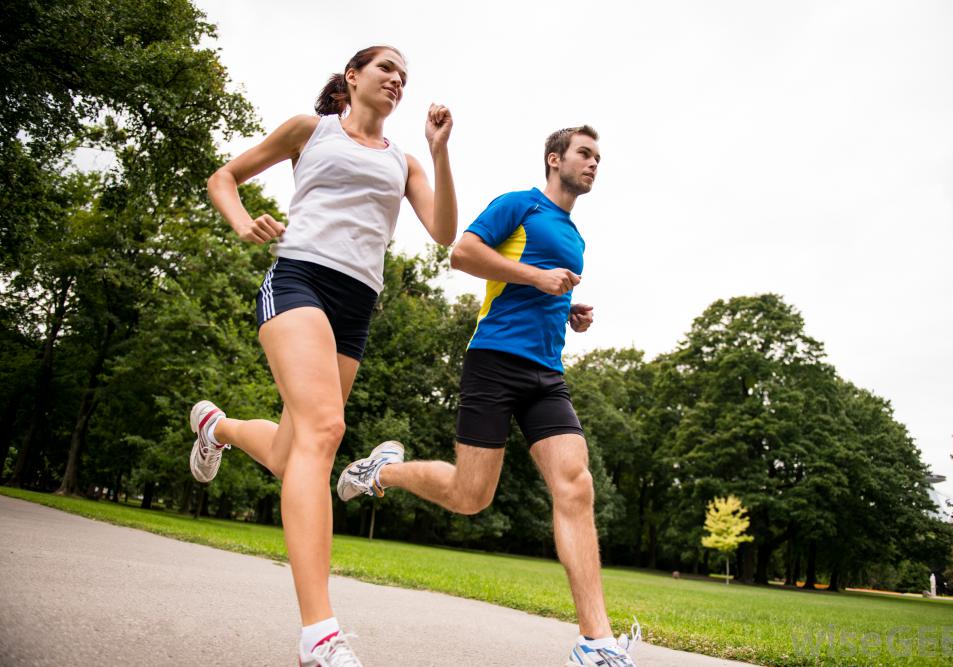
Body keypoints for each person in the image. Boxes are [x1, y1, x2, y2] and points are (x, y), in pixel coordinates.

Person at [188, 45, 456, 667]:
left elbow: (444, 231)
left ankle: (216, 426)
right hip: (300, 278)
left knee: (293, 454)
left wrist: (439, 154)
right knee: (325, 431)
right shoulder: (311, 131)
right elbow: (222, 177)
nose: (397, 79)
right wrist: (240, 221)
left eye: (405, 76)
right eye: (386, 67)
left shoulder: (405, 160)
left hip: (357, 305)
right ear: (353, 76)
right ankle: (319, 635)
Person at [338, 125, 641, 667]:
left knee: (576, 485)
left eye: (599, 156)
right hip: (494, 362)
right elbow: (462, 254)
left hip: (547, 373)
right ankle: (381, 471)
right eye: (585, 153)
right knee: (470, 495)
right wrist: (535, 278)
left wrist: (566, 309)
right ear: (555, 159)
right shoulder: (517, 205)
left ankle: (596, 642)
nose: (595, 163)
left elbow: (539, 288)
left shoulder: (575, 235)